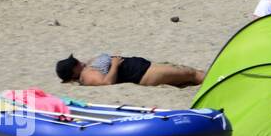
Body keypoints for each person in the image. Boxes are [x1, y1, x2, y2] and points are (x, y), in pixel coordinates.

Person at [55, 54, 204, 88]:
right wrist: (114, 64)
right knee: (190, 73)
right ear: (74, 72)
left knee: (188, 75)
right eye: (75, 63)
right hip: (143, 74)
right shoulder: (87, 76)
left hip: (144, 68)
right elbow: (107, 83)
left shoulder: (86, 68)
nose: (78, 61)